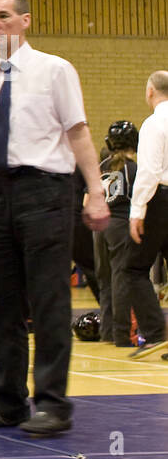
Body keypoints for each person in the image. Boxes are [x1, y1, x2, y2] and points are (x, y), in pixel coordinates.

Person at [0, 0, 108, 435]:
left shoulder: (55, 70)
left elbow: (80, 133)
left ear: (25, 20)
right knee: (4, 301)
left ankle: (52, 404)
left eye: (4, 16)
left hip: (48, 191)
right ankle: (8, 401)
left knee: (49, 299)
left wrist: (96, 191)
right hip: (0, 194)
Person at [126, 73, 168, 358]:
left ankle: (154, 333)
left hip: (160, 199)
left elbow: (150, 171)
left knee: (134, 268)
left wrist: (137, 210)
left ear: (150, 91)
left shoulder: (154, 123)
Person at [95, 121, 137, 346]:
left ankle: (107, 332)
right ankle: (121, 335)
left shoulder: (103, 166)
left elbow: (87, 200)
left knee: (105, 279)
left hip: (99, 227)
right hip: (120, 224)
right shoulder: (133, 169)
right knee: (120, 277)